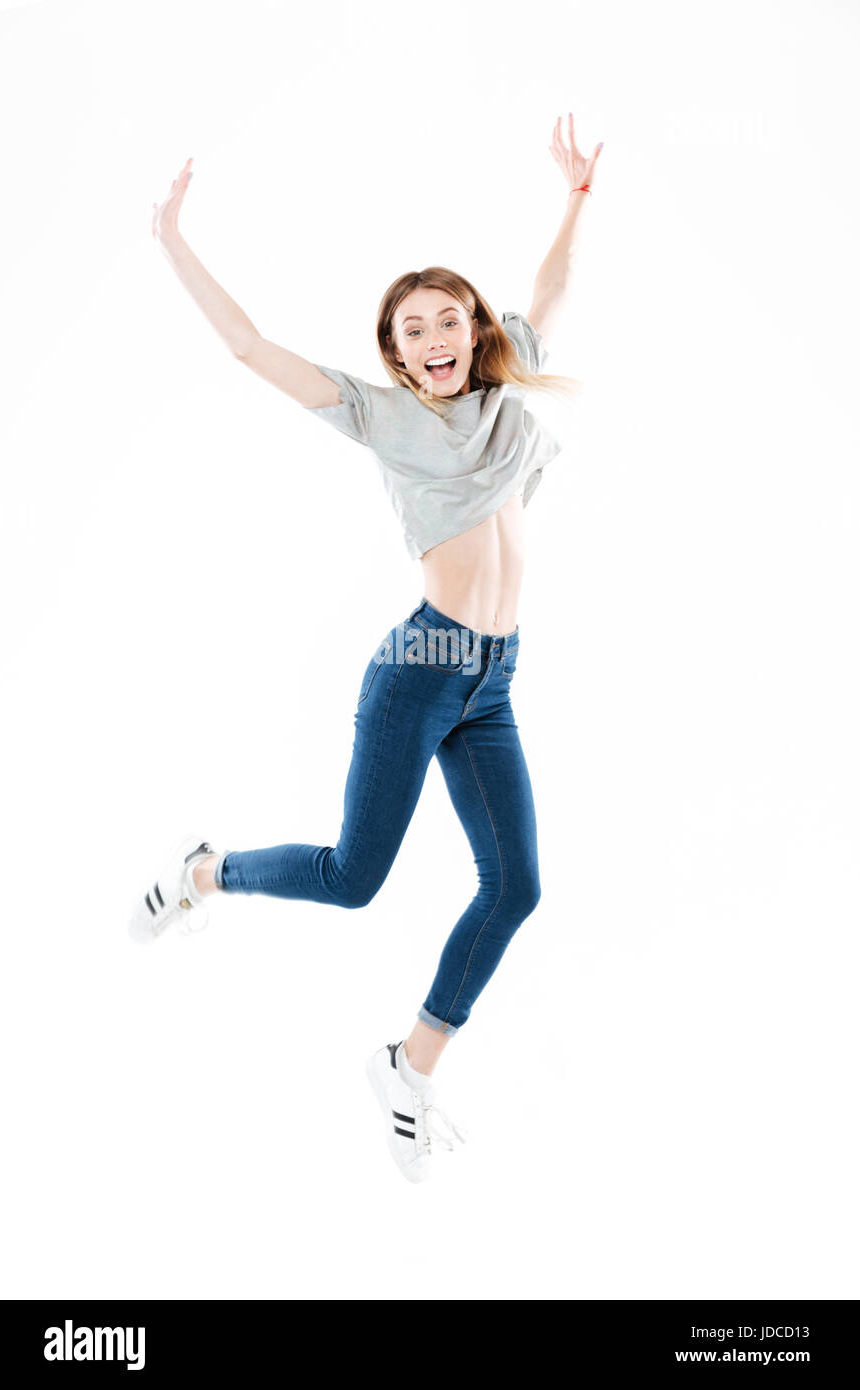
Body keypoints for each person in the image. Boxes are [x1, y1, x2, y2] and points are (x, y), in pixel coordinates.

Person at [131, 113, 603, 1183]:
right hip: (420, 671)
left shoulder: (507, 382)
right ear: (391, 353)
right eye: (408, 332)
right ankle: (202, 871)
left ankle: (410, 1061)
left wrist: (575, 199)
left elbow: (554, 290)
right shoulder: (383, 417)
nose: (430, 340)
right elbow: (250, 347)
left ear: (470, 328)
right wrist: (171, 240)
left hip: (492, 679)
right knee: (353, 880)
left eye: (446, 321)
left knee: (515, 885)